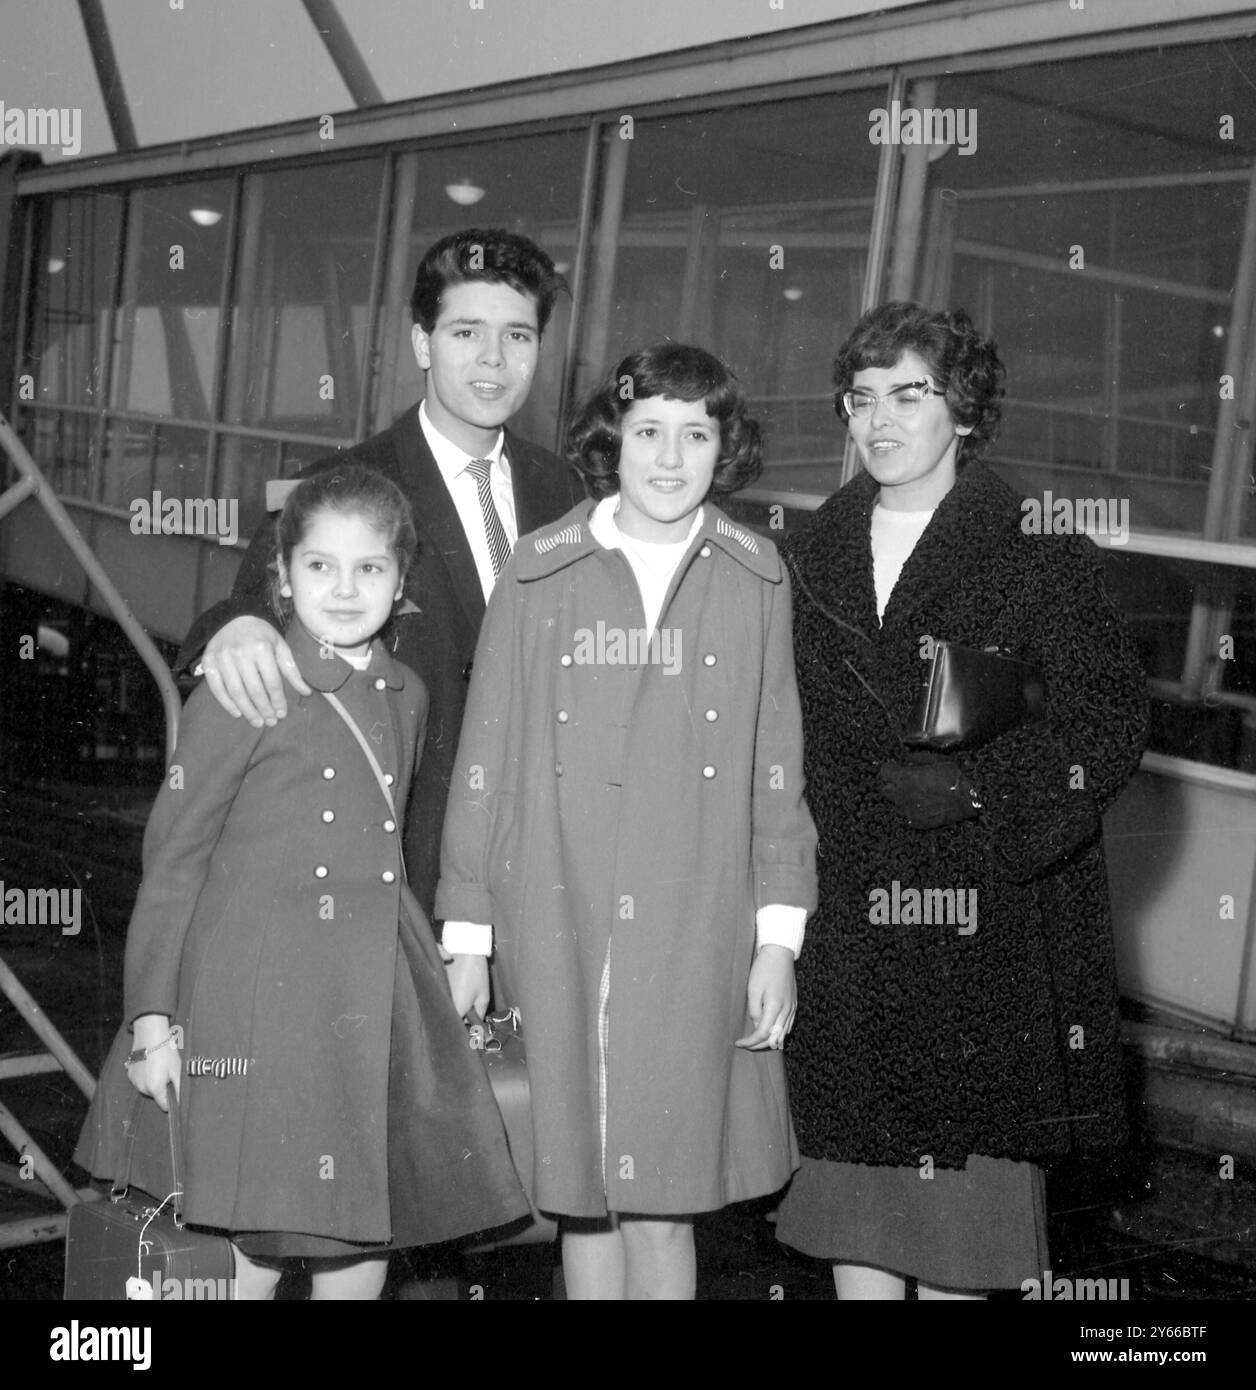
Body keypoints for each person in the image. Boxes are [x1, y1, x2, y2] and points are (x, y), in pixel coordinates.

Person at [74, 466, 529, 1299]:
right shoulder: (248, 683)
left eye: (371, 569)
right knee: (248, 1242)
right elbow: (174, 861)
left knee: (361, 1233)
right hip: (255, 997)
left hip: (370, 994)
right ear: (282, 577)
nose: (346, 589)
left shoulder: (408, 694)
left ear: (402, 583)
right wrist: (151, 1022)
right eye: (321, 566)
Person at [774, 301, 1149, 1299]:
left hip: (986, 934)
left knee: (957, 1248)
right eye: (860, 399)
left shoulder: (1037, 545)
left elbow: (1108, 719)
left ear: (963, 410)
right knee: (853, 1218)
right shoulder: (811, 553)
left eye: (910, 393)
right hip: (851, 927)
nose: (880, 419)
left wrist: (982, 787)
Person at [436, 343, 818, 1300]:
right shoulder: (541, 569)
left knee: (663, 1204)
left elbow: (779, 773)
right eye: (650, 431)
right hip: (557, 922)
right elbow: (484, 760)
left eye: (697, 434)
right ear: (616, 440)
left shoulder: (756, 574)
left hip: (696, 930)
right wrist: (469, 935)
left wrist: (778, 940)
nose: (670, 456)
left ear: (724, 448)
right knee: (580, 1198)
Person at [178, 228, 582, 917]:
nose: (493, 359)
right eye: (466, 332)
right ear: (422, 343)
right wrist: (238, 624)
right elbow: (253, 604)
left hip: (530, 866)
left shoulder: (563, 490)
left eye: (518, 336)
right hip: (396, 874)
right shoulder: (343, 483)